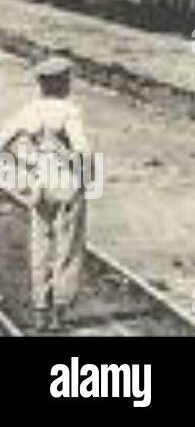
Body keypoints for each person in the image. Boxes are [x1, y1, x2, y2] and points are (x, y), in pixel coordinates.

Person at [0, 55, 91, 332]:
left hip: (41, 186)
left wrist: (23, 167)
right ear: (63, 83)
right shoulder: (69, 112)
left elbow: (2, 140)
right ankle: (58, 313)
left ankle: (40, 308)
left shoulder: (30, 111)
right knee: (68, 248)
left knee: (40, 244)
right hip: (67, 187)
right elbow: (82, 150)